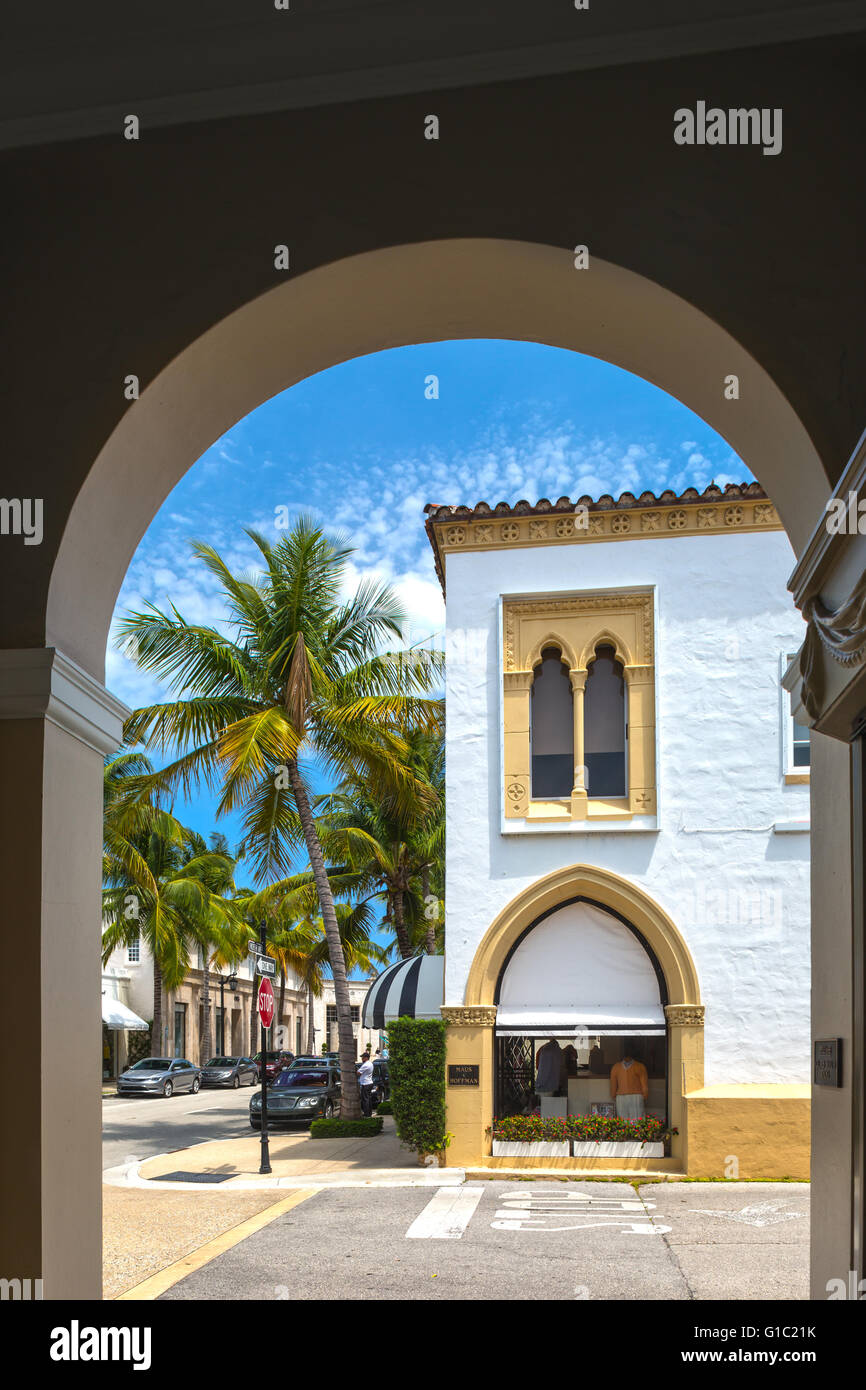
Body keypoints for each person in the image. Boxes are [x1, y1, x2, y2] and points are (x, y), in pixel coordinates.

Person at [609, 1041, 649, 1119]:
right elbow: (644, 1086)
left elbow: (613, 1087)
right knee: (634, 1119)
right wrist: (644, 1096)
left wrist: (614, 1095)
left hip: (629, 1096)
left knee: (629, 1120)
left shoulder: (616, 1067)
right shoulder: (640, 1066)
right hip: (630, 1096)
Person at [357, 1051, 375, 1117]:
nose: (362, 1059)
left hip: (366, 1084)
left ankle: (366, 1114)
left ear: (366, 1058)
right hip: (369, 1083)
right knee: (368, 1099)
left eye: (363, 1057)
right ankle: (369, 1113)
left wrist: (356, 1071)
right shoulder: (370, 1063)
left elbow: (358, 1073)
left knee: (365, 1100)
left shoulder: (366, 1065)